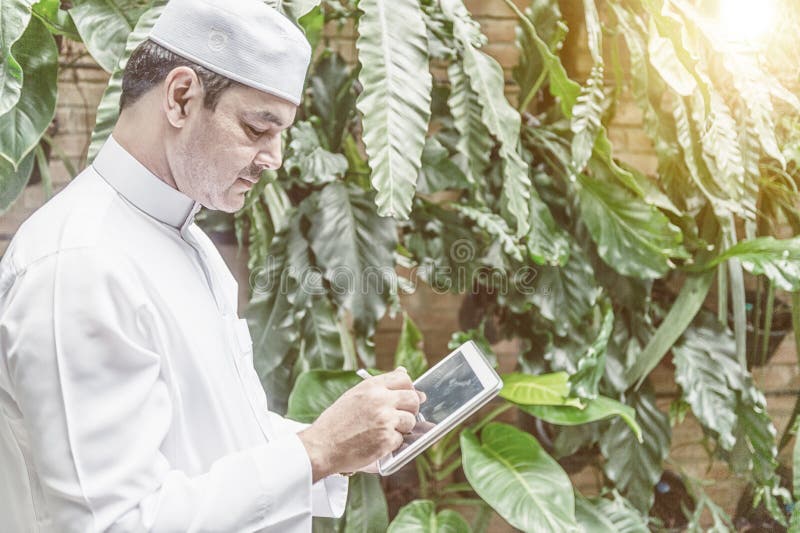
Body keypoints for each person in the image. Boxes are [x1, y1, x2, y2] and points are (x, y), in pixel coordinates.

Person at [0, 0, 422, 531]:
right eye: (257, 128)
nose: (275, 159)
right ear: (180, 98)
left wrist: (344, 444)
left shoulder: (185, 238)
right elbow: (115, 522)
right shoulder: (81, 267)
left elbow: (216, 432)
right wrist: (314, 451)